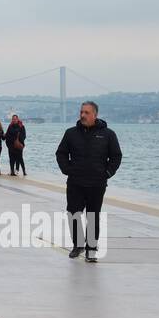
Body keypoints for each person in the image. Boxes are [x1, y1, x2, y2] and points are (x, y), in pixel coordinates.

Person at [55, 101, 122, 263]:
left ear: (95, 115)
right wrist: (67, 169)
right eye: (81, 112)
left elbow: (116, 156)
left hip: (97, 183)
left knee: (93, 216)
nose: (83, 115)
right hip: (75, 182)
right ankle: (78, 245)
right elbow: (61, 153)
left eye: (86, 112)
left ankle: (91, 249)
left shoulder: (108, 134)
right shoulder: (71, 133)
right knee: (73, 213)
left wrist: (107, 173)